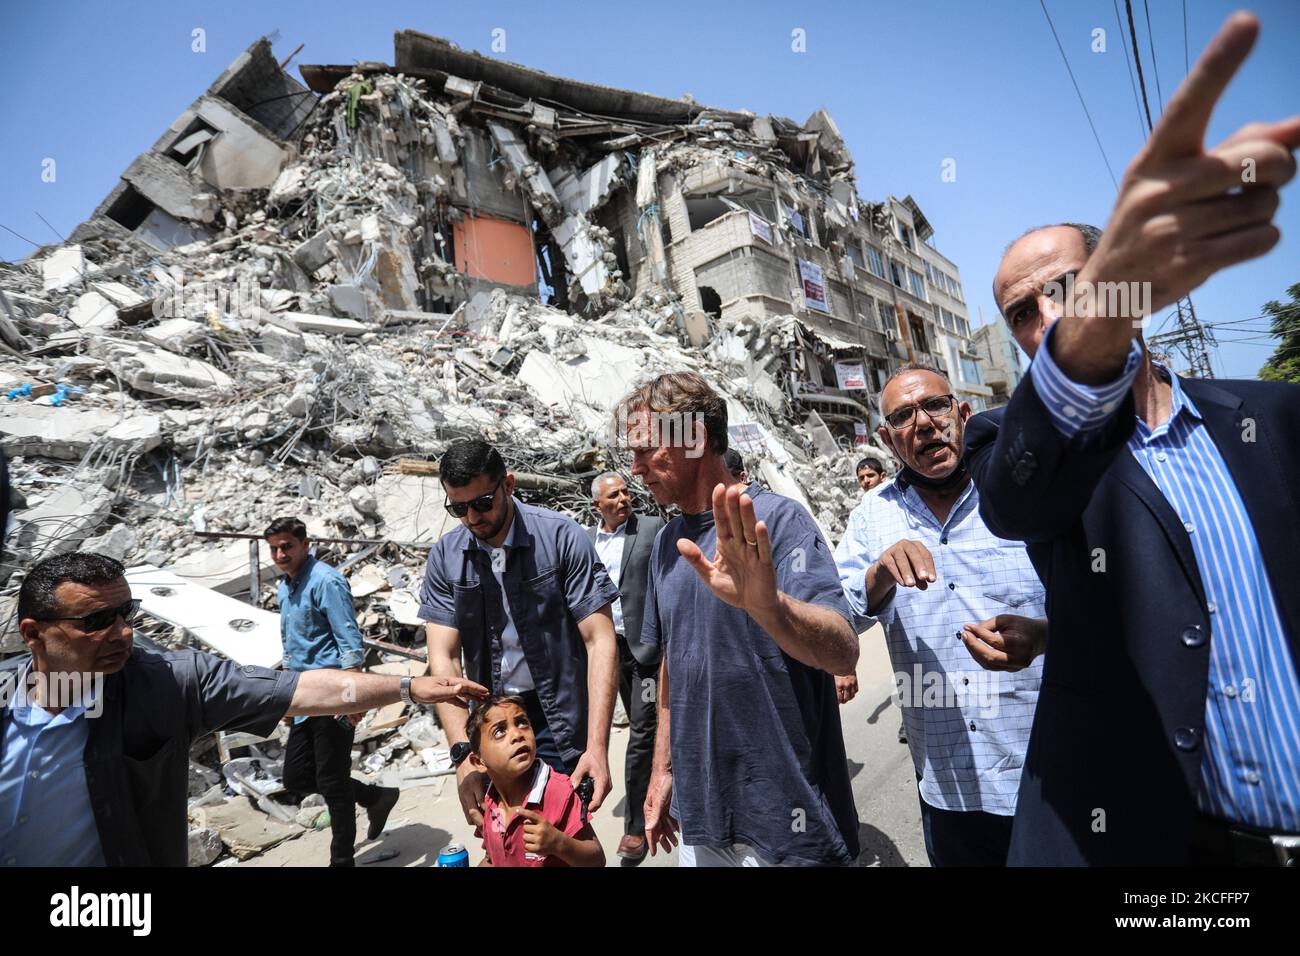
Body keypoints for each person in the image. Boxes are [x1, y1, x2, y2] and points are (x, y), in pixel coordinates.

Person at [966, 12, 1300, 865]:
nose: (1049, 318)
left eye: (1071, 287)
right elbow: (1018, 500)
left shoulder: (1272, 417)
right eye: (1023, 313)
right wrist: (1096, 314)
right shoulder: (1013, 441)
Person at [0, 552, 487, 866]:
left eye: (126, 615)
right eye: (96, 621)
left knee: (328, 779)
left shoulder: (170, 682)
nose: (122, 633)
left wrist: (407, 686)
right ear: (33, 633)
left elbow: (299, 689)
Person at [622, 371, 861, 866]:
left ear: (697, 438)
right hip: (703, 812)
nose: (636, 466)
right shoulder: (669, 545)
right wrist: (662, 771)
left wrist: (770, 607)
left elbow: (843, 649)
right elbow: (673, 665)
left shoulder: (779, 521)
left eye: (647, 448)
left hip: (786, 814)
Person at [835, 366, 1047, 866]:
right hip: (949, 789)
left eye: (936, 406)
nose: (924, 423)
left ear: (963, 414)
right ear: (888, 441)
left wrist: (1045, 637)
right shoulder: (871, 515)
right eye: (904, 416)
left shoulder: (1022, 492)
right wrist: (880, 574)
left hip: (1048, 771)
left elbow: (1097, 604)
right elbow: (843, 620)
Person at [418, 438, 620, 833]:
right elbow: (443, 659)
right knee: (505, 836)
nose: (472, 517)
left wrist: (598, 747)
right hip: (492, 717)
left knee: (564, 835)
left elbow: (600, 640)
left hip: (559, 715)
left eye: (482, 502)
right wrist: (463, 756)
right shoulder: (446, 557)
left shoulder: (561, 538)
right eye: (458, 508)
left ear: (509, 484)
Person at [265, 516, 400, 866]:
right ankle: (375, 797)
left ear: (305, 544)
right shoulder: (285, 586)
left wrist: (354, 697)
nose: (280, 554)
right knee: (296, 776)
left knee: (332, 778)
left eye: (287, 547)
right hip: (303, 695)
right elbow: (292, 647)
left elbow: (349, 641)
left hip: (335, 693)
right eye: (275, 548)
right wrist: (285, 696)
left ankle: (341, 859)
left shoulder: (325, 581)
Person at [587, 472, 664, 864]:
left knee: (642, 728)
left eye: (625, 492)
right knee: (645, 727)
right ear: (597, 505)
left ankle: (635, 827)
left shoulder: (651, 528)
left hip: (646, 650)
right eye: (613, 496)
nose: (623, 499)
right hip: (608, 650)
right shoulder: (586, 542)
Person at [466, 694, 604, 867]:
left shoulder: (557, 791)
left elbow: (597, 859)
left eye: (522, 722)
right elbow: (493, 858)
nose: (517, 734)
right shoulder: (489, 803)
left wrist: (559, 843)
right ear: (479, 762)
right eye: (499, 731)